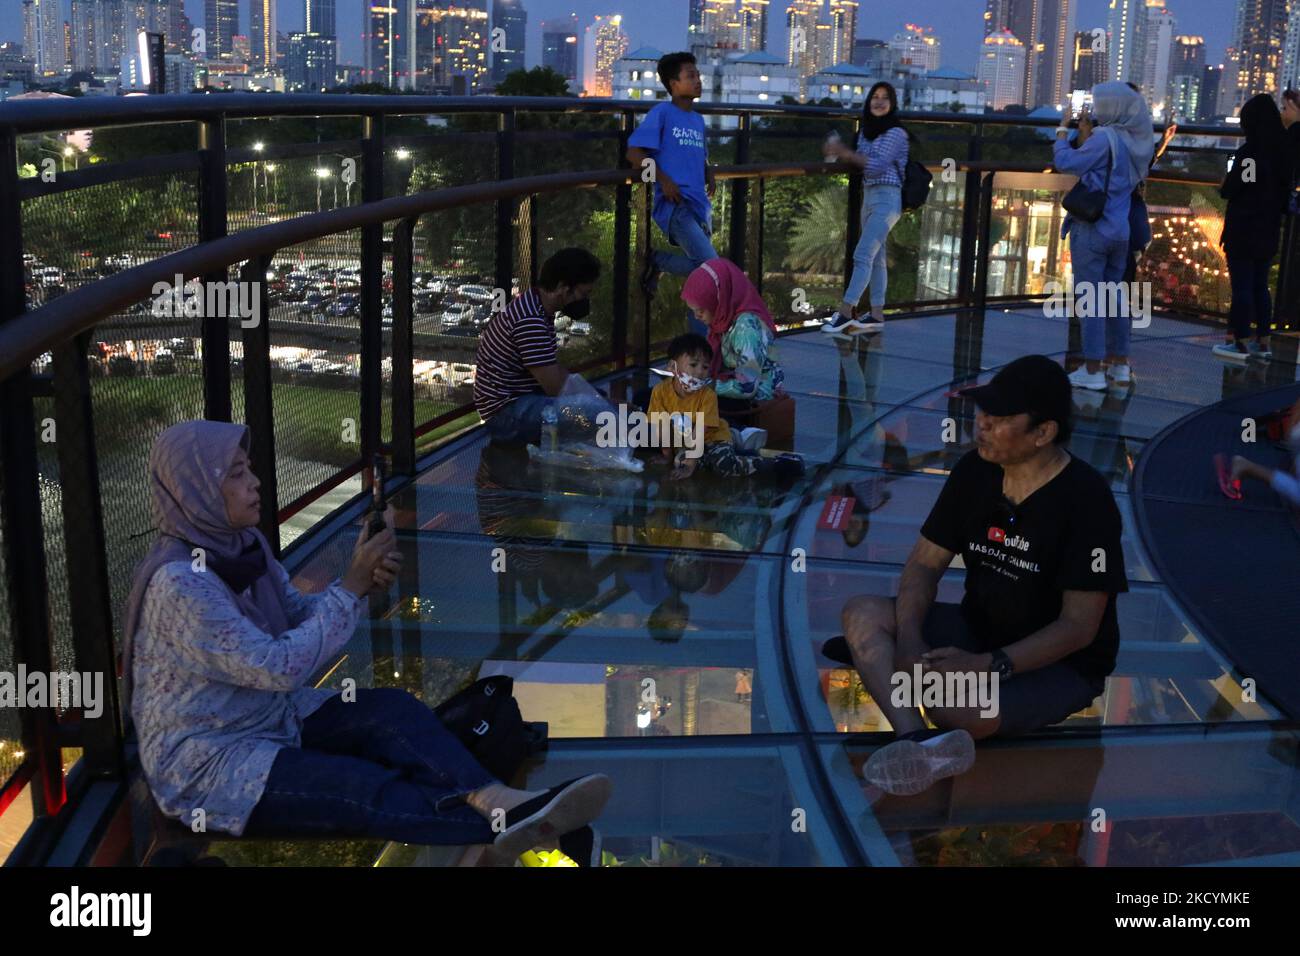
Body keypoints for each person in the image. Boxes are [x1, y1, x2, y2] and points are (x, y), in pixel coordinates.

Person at [123, 420, 611, 860]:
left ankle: (498, 800)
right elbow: (277, 667)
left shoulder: (241, 547)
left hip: (268, 716)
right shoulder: (180, 584)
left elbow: (297, 615)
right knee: (357, 789)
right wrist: (351, 588)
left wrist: (358, 587)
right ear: (197, 490)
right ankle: (532, 823)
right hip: (210, 761)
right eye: (234, 474)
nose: (253, 483)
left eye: (248, 469)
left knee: (390, 711)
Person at [821, 356, 1127, 796]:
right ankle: (915, 739)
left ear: (1043, 433)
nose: (980, 423)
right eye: (983, 411)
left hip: (1061, 666)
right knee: (862, 613)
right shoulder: (975, 471)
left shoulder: (1087, 501)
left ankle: (896, 682)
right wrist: (908, 640)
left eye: (999, 417)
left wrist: (984, 666)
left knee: (956, 709)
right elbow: (925, 562)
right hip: (978, 629)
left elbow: (1078, 628)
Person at [1054, 82, 1151, 391]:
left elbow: (1067, 162)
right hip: (1119, 231)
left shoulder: (1104, 138)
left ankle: (1093, 369)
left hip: (1093, 231)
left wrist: (1061, 130)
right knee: (1114, 298)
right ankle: (1120, 365)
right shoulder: (1136, 141)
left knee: (1091, 300)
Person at [626, 51, 717, 334]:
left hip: (700, 207)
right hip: (676, 206)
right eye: (690, 76)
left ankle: (700, 352)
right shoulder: (662, 113)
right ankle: (657, 260)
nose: (698, 80)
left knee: (704, 277)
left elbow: (697, 155)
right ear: (673, 83)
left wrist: (708, 171)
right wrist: (662, 178)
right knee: (712, 270)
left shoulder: (698, 121)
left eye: (698, 75)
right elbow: (633, 153)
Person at [473, 247, 600, 444]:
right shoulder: (531, 319)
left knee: (597, 404)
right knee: (598, 415)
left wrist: (595, 397)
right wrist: (599, 404)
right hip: (505, 416)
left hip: (519, 402)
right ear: (563, 288)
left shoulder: (536, 305)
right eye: (583, 293)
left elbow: (554, 371)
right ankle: (656, 440)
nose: (584, 301)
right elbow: (555, 387)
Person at [821, 81, 912, 335]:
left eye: (885, 98)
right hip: (869, 196)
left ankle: (845, 312)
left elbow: (874, 165)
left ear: (892, 104)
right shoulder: (867, 131)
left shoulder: (896, 133)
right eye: (875, 97)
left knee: (863, 255)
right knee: (877, 257)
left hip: (888, 199)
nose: (879, 101)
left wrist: (843, 151)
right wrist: (839, 152)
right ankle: (876, 314)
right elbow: (860, 161)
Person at [647, 332, 803, 480]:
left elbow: (700, 431)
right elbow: (661, 428)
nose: (700, 372)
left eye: (705, 367)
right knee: (679, 462)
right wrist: (667, 457)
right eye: (693, 364)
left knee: (724, 466)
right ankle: (736, 445)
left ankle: (773, 463)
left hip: (714, 437)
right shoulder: (660, 392)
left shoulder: (707, 395)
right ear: (672, 367)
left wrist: (690, 465)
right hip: (688, 442)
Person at [1214, 93, 1289, 363]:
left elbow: (1236, 187)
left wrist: (1227, 183)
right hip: (1268, 228)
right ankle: (1264, 341)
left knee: (1242, 287)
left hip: (1244, 229)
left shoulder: (1250, 153)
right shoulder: (1283, 153)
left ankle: (1241, 342)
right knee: (1260, 286)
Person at [680, 257, 785, 403]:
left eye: (701, 310)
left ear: (717, 299)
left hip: (757, 399)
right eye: (694, 310)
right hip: (737, 389)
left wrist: (706, 386)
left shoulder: (745, 328)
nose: (697, 316)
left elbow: (747, 386)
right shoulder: (723, 321)